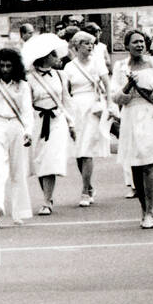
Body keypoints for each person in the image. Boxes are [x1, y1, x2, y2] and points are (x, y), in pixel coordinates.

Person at [112, 30, 153, 229]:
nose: (139, 45)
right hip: (130, 116)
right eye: (134, 42)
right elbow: (115, 96)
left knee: (148, 164)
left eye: (142, 42)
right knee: (135, 165)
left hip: (150, 115)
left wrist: (147, 89)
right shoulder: (120, 67)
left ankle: (150, 211)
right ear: (127, 45)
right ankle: (143, 207)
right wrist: (129, 85)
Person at [24, 33, 74, 216]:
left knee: (51, 159)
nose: (57, 58)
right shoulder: (28, 79)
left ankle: (46, 200)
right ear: (45, 56)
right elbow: (26, 105)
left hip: (57, 120)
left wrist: (71, 123)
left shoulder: (61, 76)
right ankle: (47, 196)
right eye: (53, 55)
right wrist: (27, 129)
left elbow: (66, 101)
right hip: (37, 120)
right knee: (39, 161)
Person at [0, 48, 33, 229]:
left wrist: (29, 131)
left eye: (9, 66)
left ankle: (19, 211)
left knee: (18, 170)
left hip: (17, 126)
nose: (5, 69)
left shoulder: (23, 86)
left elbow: (27, 111)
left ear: (15, 67)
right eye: (2, 65)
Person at [63, 30, 109, 208]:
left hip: (93, 107)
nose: (90, 46)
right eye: (86, 43)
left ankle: (84, 191)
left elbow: (106, 83)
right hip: (76, 108)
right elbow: (65, 92)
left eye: (92, 43)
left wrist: (109, 104)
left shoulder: (97, 62)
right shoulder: (69, 67)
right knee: (78, 150)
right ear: (77, 46)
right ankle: (89, 186)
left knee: (87, 149)